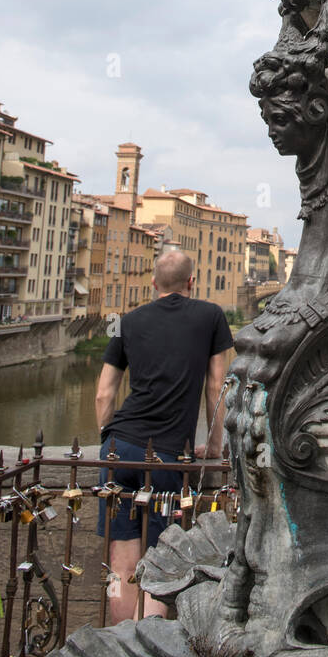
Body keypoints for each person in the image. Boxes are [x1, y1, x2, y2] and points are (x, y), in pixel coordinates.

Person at [94, 248, 233, 622]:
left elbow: (105, 392)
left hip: (118, 450)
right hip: (166, 456)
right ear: (192, 282)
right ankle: (148, 651)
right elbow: (216, 385)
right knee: (158, 561)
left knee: (121, 562)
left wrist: (108, 440)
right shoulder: (211, 316)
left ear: (153, 282)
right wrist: (216, 446)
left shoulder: (126, 321)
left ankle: (122, 646)